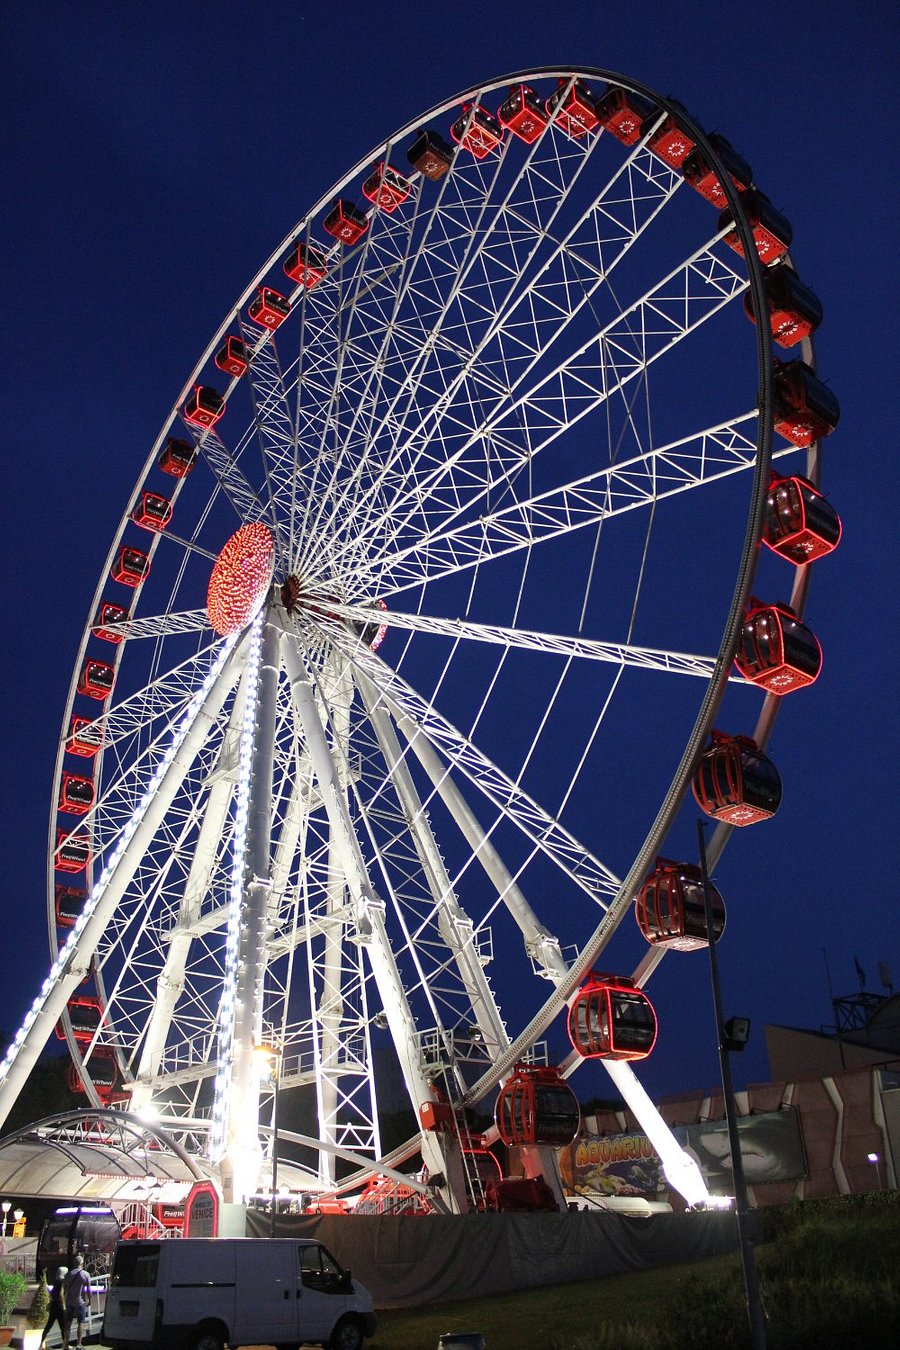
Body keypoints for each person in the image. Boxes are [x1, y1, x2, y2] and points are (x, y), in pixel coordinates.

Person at [63, 1254, 92, 1349]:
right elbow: (88, 1290)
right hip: (80, 1302)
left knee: (68, 1323)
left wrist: (64, 1302)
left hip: (69, 1302)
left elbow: (65, 1290)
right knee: (81, 1323)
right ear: (82, 1263)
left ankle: (66, 1344)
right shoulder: (85, 1274)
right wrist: (90, 1300)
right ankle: (79, 1344)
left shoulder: (68, 1274)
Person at [39, 1265, 67, 1350]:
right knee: (63, 1327)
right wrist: (64, 1306)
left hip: (54, 1306)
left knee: (48, 1326)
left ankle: (40, 1345)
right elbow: (61, 1293)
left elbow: (52, 1293)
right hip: (59, 1306)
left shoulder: (56, 1281)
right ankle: (64, 1345)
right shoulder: (62, 1282)